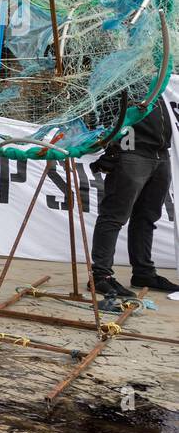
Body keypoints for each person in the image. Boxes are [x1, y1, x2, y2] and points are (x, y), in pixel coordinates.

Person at [90, 99, 178, 299]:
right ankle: (100, 275)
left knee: (146, 217)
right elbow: (104, 115)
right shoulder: (124, 77)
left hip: (160, 153)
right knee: (114, 215)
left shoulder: (161, 81)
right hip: (132, 152)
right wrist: (112, 148)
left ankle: (143, 272)